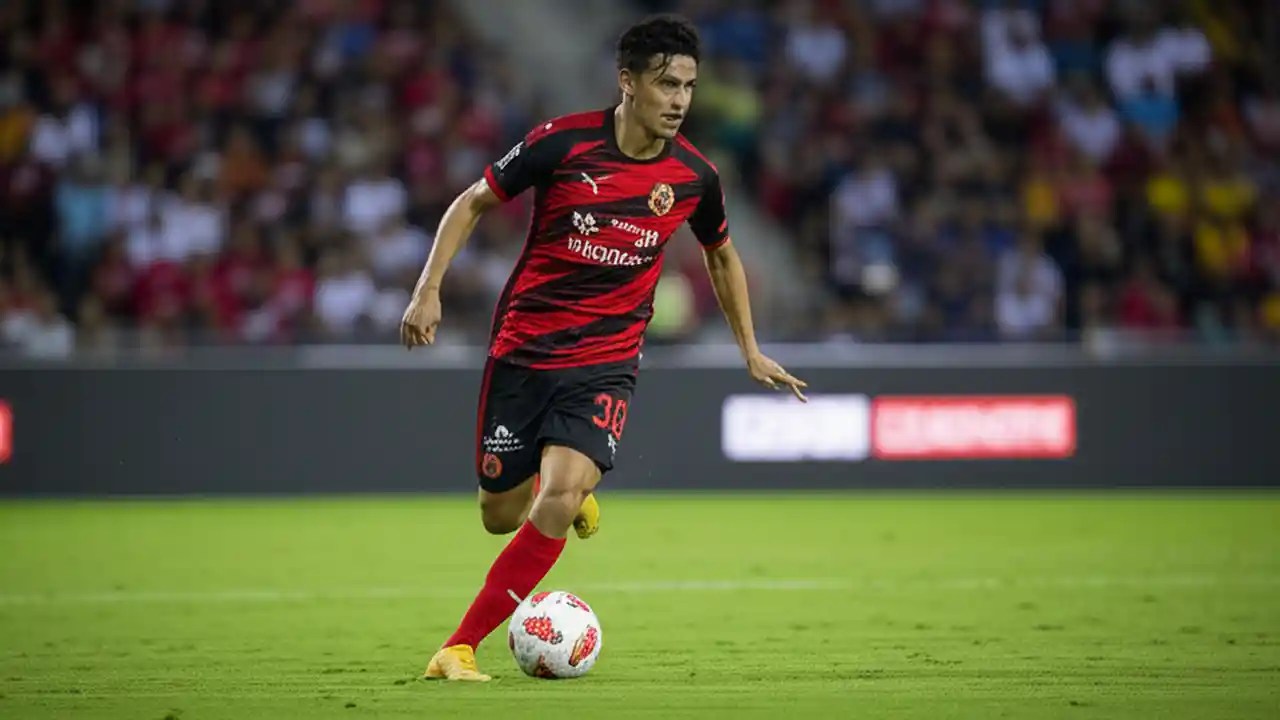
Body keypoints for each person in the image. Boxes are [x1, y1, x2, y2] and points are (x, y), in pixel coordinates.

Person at [399, 14, 808, 681]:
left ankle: (458, 646)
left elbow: (722, 255)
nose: (679, 100)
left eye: (689, 86)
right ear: (627, 82)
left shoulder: (693, 176)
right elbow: (472, 202)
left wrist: (751, 349)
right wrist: (428, 289)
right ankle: (562, 484)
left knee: (558, 498)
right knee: (500, 515)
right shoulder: (562, 144)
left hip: (606, 362)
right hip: (525, 350)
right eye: (666, 84)